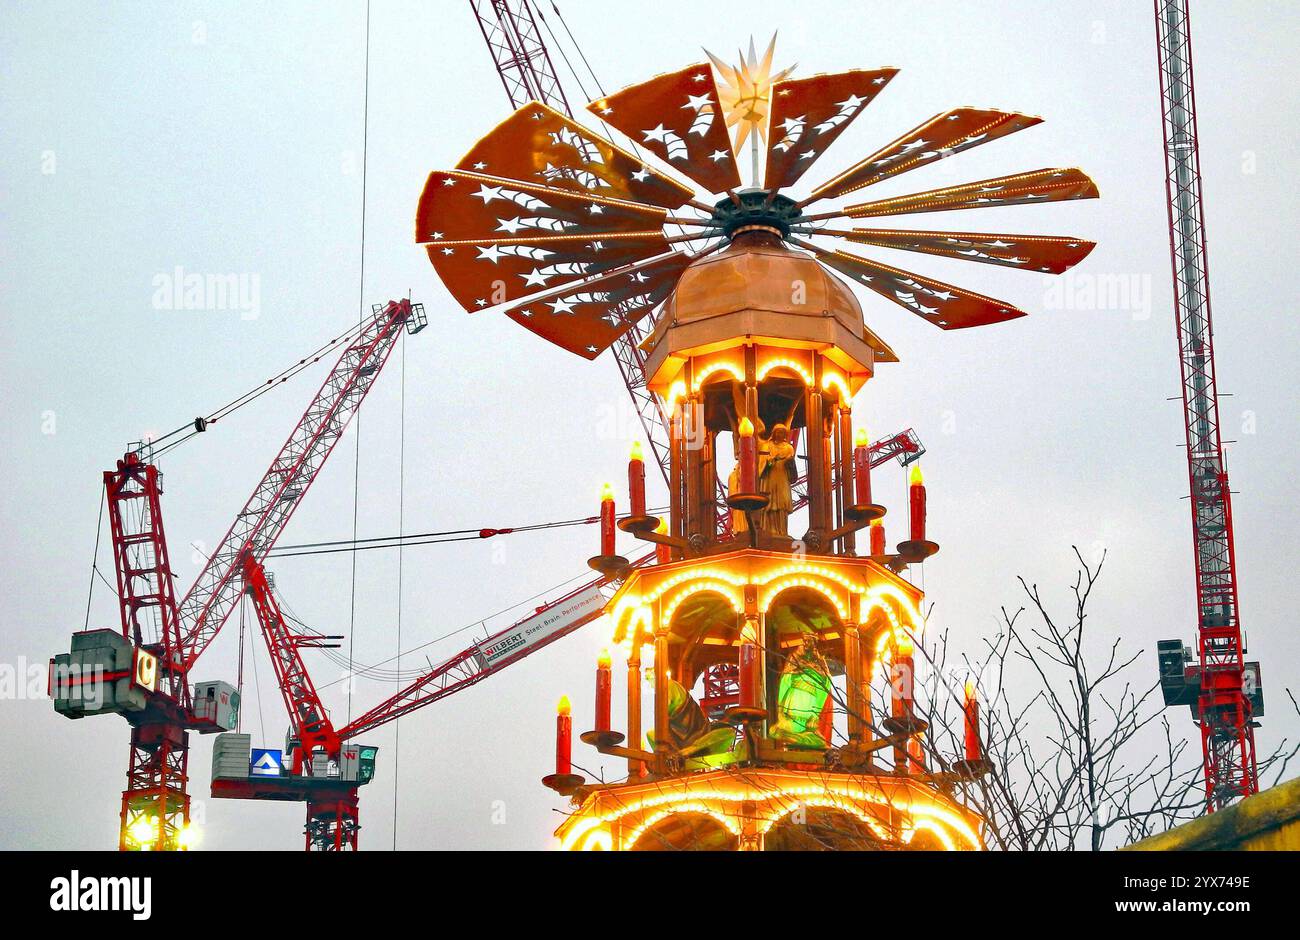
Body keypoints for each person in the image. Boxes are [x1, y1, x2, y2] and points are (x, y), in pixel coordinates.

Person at [756, 423, 796, 537]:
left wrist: (791, 463)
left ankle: (782, 531)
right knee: (771, 505)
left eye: (782, 432)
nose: (780, 434)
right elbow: (763, 465)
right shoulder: (767, 446)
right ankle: (770, 530)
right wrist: (770, 461)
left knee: (782, 504)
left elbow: (792, 467)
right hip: (770, 479)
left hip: (783, 478)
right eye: (778, 432)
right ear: (774, 433)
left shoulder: (789, 448)